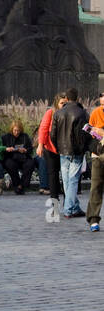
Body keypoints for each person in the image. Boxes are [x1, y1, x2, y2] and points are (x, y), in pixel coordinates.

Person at [50, 87, 89, 219]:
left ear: (66, 98)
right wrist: (84, 148)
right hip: (76, 151)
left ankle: (74, 207)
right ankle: (69, 209)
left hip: (63, 150)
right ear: (77, 97)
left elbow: (53, 135)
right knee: (72, 180)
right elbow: (85, 133)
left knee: (67, 180)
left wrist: (57, 147)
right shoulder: (81, 113)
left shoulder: (58, 113)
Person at [37, 92, 64, 198]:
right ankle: (55, 204)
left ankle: (68, 205)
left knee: (65, 177)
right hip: (51, 148)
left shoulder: (67, 113)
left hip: (64, 149)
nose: (64, 105)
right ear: (57, 103)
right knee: (53, 176)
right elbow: (43, 128)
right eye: (62, 103)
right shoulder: (50, 112)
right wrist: (40, 144)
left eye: (66, 103)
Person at [0, 119, 35, 194]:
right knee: (10, 164)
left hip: (23, 157)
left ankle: (21, 185)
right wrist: (8, 149)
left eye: (18, 130)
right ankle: (18, 185)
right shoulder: (6, 137)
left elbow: (30, 149)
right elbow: (2, 150)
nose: (16, 132)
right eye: (15, 130)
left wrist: (25, 150)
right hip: (11, 157)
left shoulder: (25, 136)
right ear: (12, 129)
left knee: (30, 164)